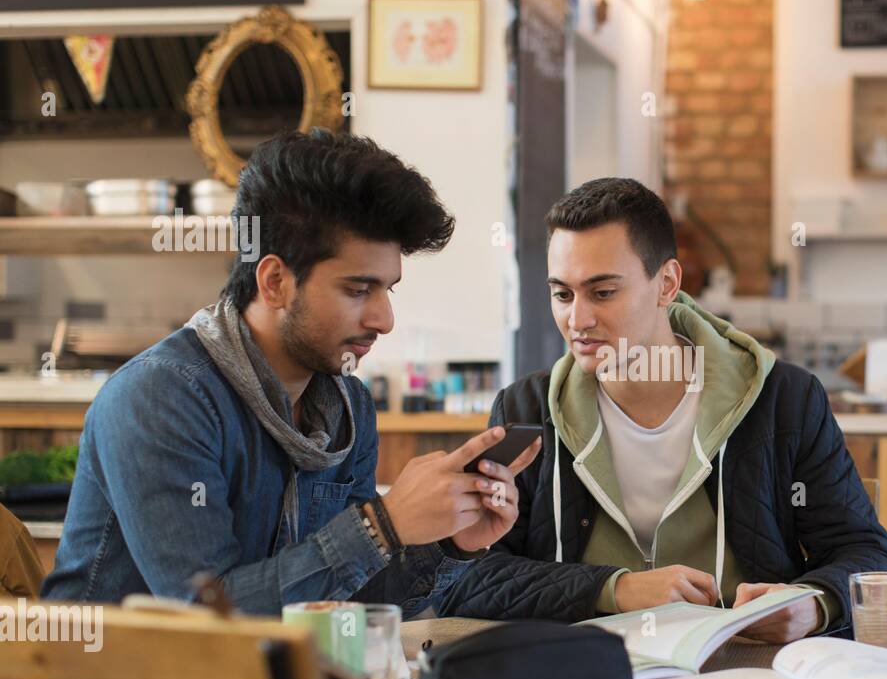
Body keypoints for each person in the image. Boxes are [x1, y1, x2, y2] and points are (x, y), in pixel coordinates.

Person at [434, 177, 887, 679]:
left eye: (603, 291)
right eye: (562, 293)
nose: (579, 320)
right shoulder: (526, 409)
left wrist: (813, 602)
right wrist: (615, 589)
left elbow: (870, 559)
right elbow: (464, 577)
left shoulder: (783, 400)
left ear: (668, 284)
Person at [42, 129, 537, 615]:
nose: (384, 320)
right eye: (358, 290)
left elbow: (350, 600)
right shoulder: (161, 397)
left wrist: (452, 543)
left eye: (389, 290)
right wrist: (382, 526)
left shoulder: (348, 405)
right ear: (275, 281)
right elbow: (206, 617)